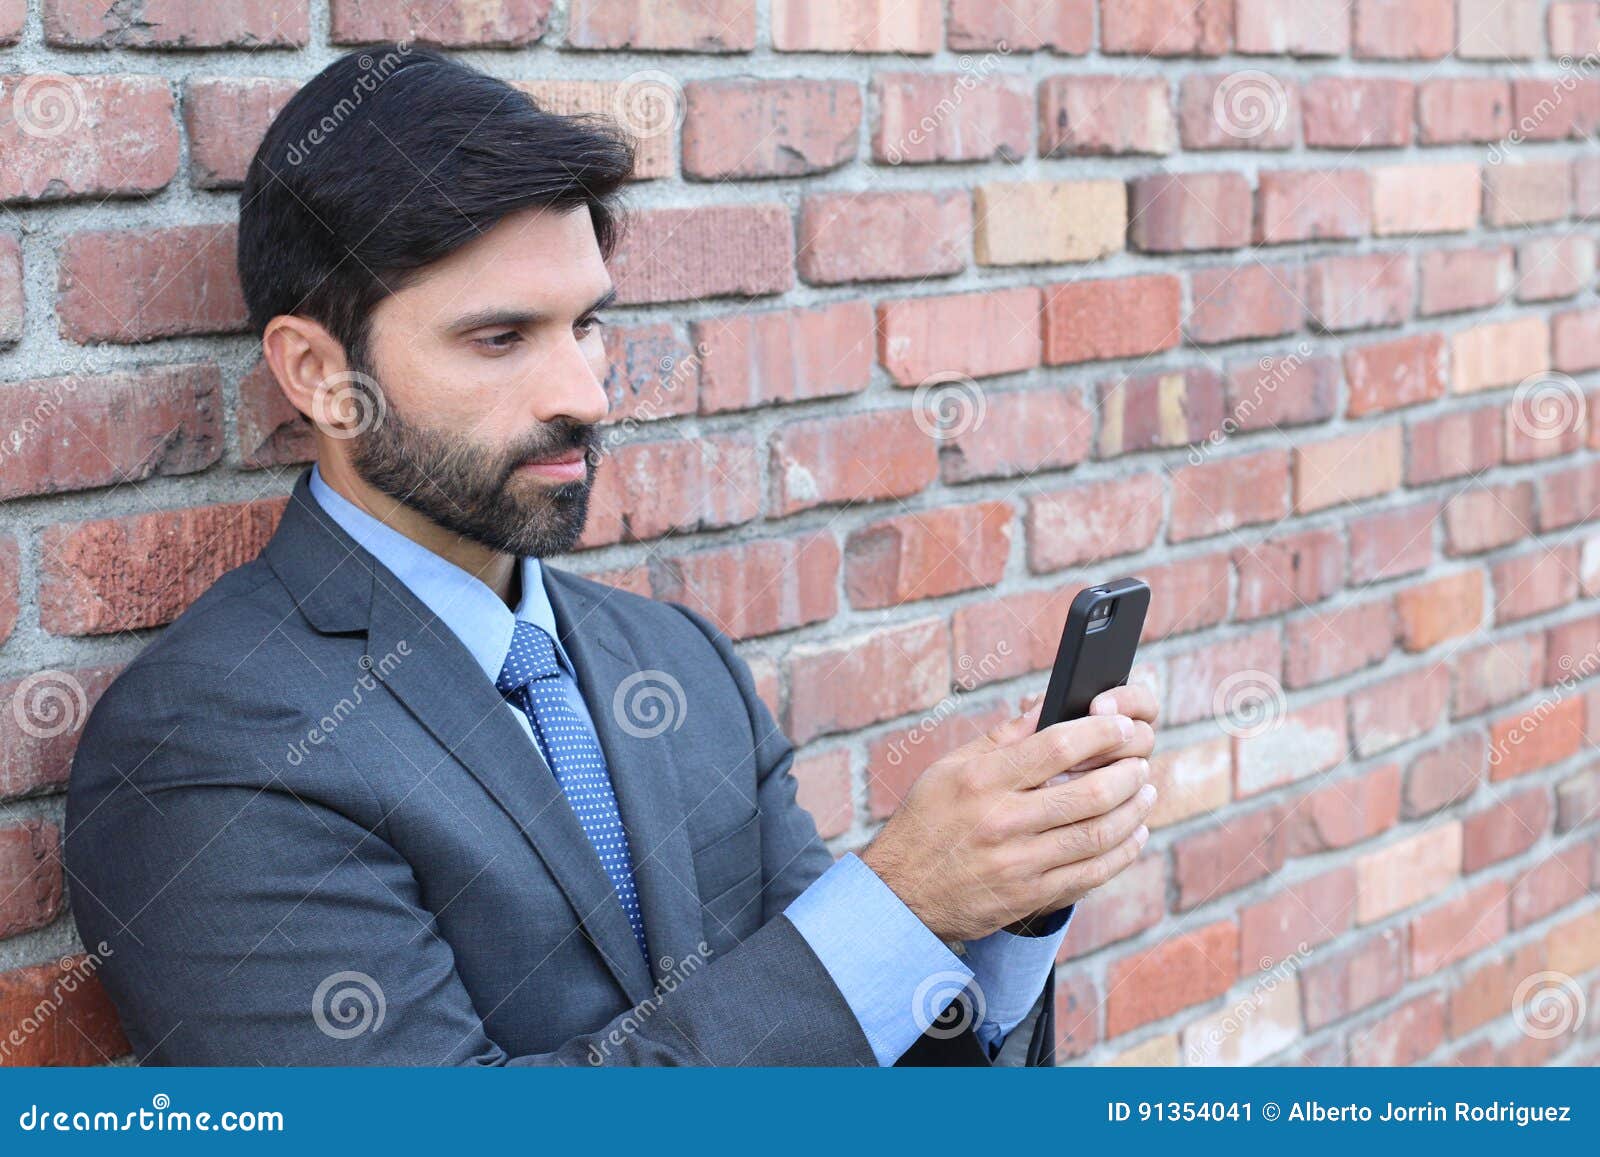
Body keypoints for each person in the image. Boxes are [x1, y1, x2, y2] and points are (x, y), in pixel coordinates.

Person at [64, 45, 1159, 1066]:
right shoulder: (208, 742)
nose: (585, 394)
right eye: (500, 338)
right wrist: (902, 902)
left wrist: (1001, 899)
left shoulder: (678, 666)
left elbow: (838, 1049)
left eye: (587, 324)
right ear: (313, 371)